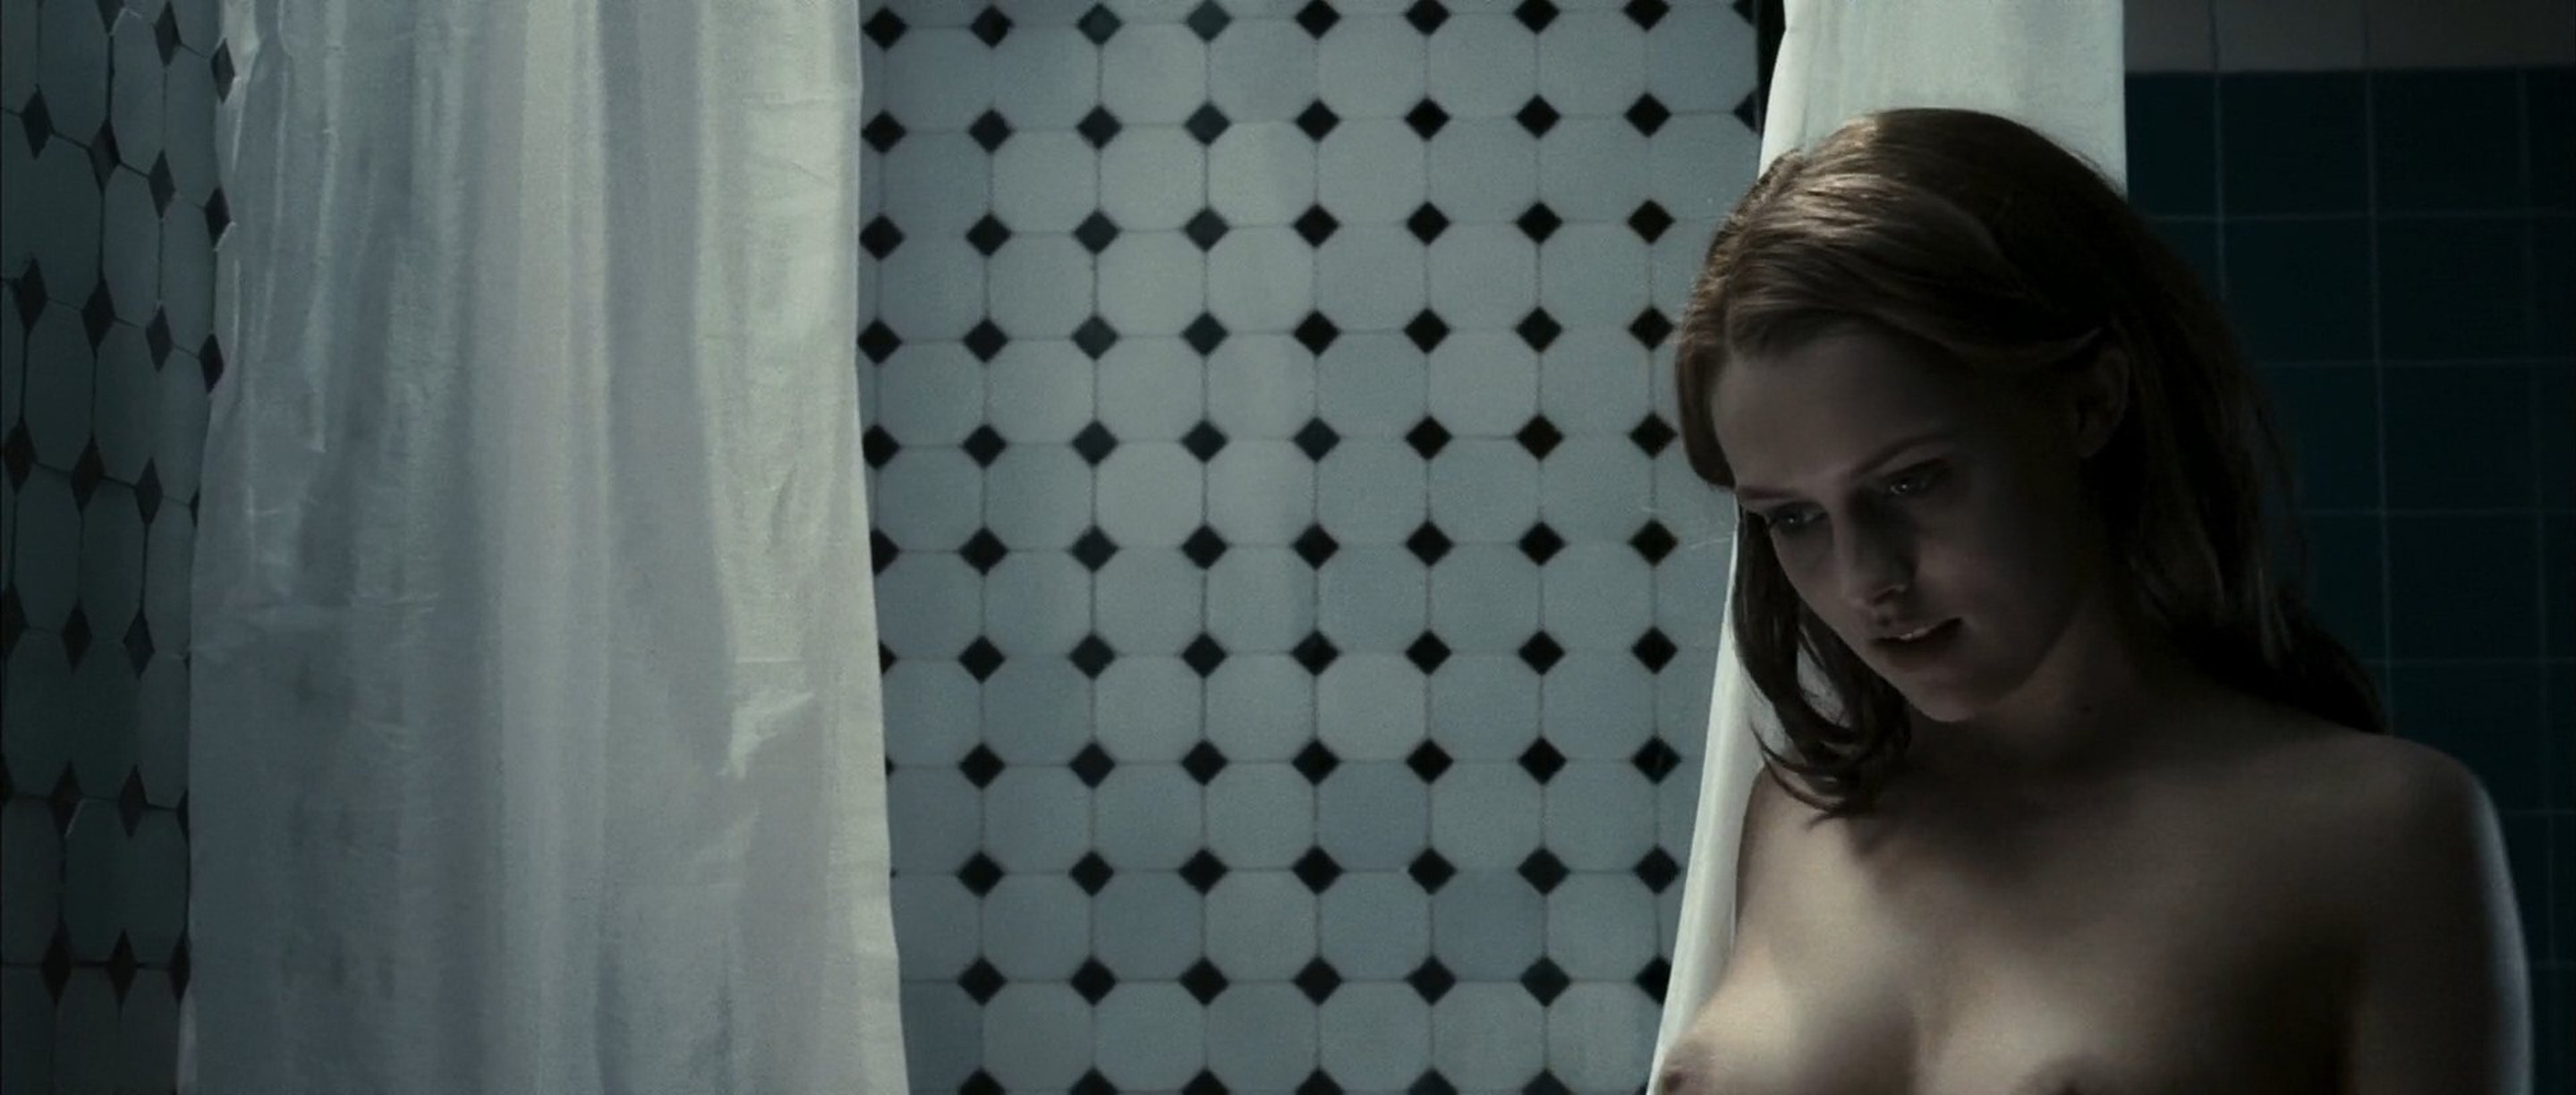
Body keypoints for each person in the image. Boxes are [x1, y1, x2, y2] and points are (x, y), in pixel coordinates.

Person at [1652, 107, 2532, 1092]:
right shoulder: (1795, 820)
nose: (1865, 579)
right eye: (1792, 518)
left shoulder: (2377, 832)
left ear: (2089, 401)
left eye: (1911, 482)